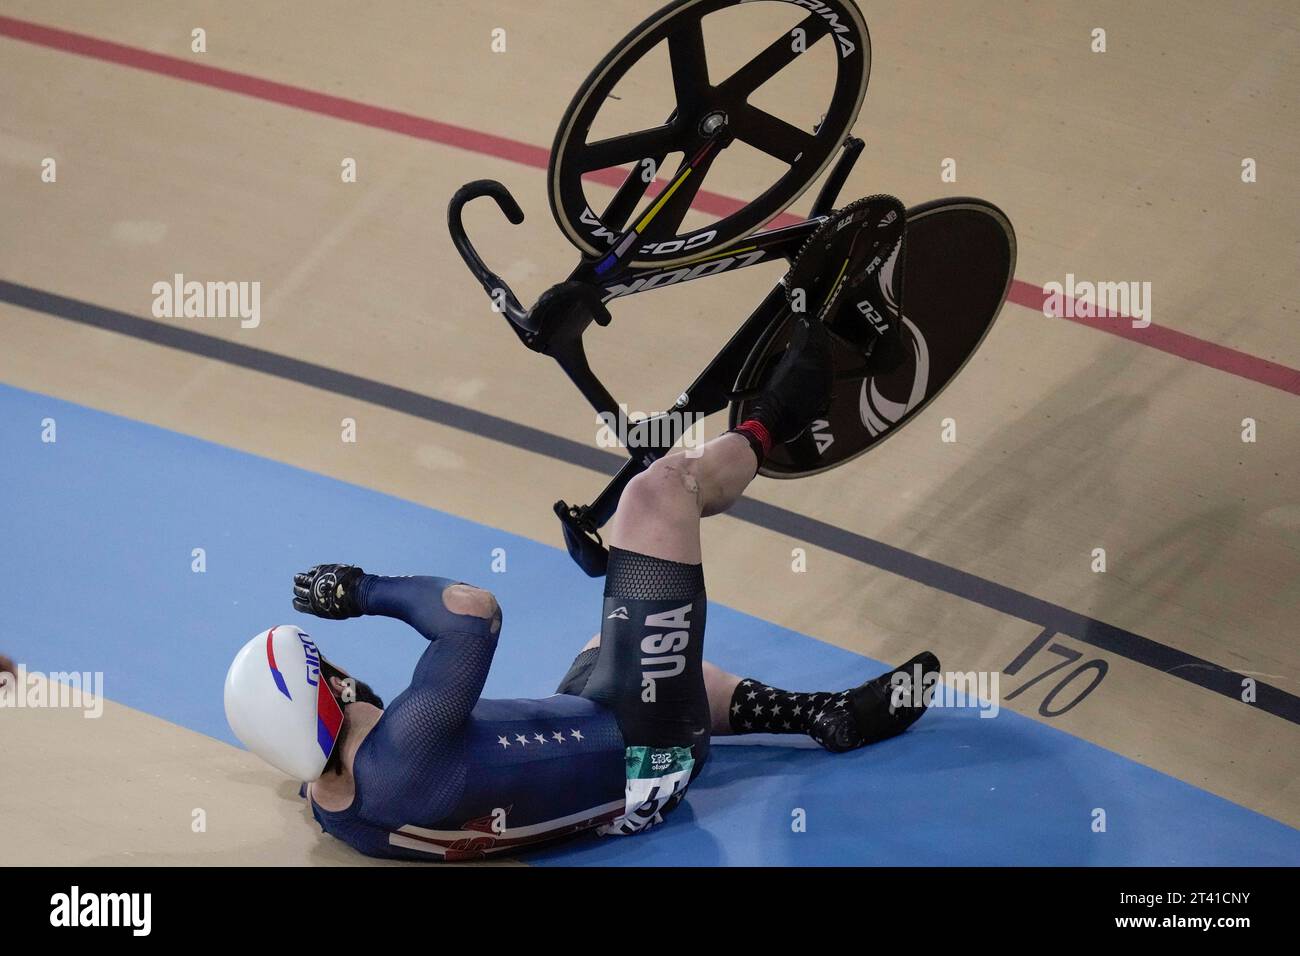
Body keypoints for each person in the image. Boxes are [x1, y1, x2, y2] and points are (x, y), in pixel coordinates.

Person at [224, 313, 937, 861]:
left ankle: (817, 716)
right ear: (325, 699)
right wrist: (359, 590)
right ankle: (778, 417)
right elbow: (472, 614)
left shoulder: (336, 805)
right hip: (647, 742)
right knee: (657, 493)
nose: (347, 677)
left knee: (609, 642)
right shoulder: (406, 742)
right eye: (330, 672)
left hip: (615, 763)